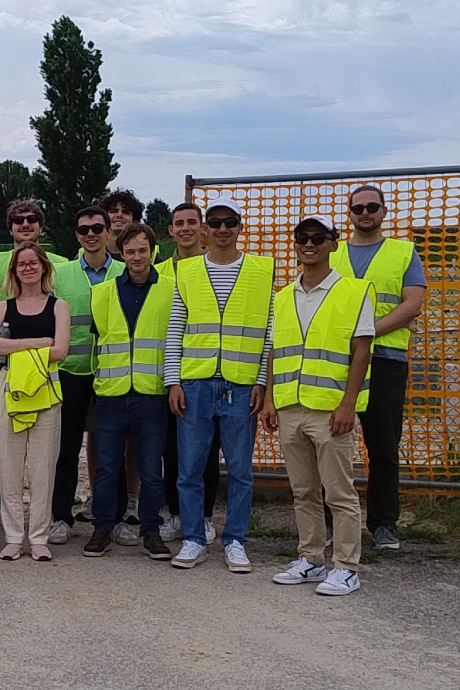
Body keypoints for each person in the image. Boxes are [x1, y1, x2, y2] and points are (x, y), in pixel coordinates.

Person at [264, 217, 375, 597]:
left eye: (317, 238)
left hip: (331, 411)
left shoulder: (354, 291)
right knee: (303, 491)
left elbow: (362, 350)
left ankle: (347, 567)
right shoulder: (283, 296)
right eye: (302, 238)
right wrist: (269, 400)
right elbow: (276, 351)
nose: (308, 244)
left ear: (333, 244)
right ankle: (311, 559)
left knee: (339, 493)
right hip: (291, 405)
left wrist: (347, 404)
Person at [164, 201, 274, 573]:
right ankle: (194, 538)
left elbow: (269, 332)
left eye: (229, 223)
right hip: (194, 383)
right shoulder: (189, 271)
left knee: (241, 470)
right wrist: (173, 381)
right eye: (216, 223)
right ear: (206, 230)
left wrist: (262, 380)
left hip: (242, 385)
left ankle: (236, 541)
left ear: (240, 227)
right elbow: (176, 328)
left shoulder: (261, 270)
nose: (223, 229)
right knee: (189, 468)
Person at [332, 184, 427, 551]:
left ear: (384, 211)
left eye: (373, 206)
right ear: (350, 213)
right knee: (330, 444)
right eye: (359, 208)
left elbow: (412, 303)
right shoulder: (333, 252)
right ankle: (330, 522)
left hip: (386, 360)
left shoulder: (403, 253)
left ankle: (384, 523)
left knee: (384, 446)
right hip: (336, 362)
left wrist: (367, 332)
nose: (365, 213)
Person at [0, 201, 68, 533]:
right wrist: (37, 343)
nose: (25, 224)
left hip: (45, 382)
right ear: (9, 226)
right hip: (5, 377)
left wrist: (15, 348)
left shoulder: (60, 283)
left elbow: (61, 350)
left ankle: (39, 531)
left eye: (31, 219)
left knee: (43, 462)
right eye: (17, 220)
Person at [84, 223, 171, 559]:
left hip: (152, 393)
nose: (137, 257)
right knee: (107, 467)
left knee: (151, 470)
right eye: (130, 251)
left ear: (152, 251)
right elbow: (98, 342)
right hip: (110, 393)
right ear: (121, 253)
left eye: (142, 250)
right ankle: (103, 527)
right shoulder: (102, 292)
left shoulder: (171, 290)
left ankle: (151, 530)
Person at [48, 206, 124, 545]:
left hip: (112, 374)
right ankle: (60, 517)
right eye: (83, 230)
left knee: (111, 450)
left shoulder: (125, 271)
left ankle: (114, 518)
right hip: (70, 373)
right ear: (76, 235)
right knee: (65, 450)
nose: (90, 234)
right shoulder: (60, 274)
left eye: (97, 228)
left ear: (109, 232)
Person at [157, 203, 220, 546]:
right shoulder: (160, 271)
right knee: (171, 448)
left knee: (205, 450)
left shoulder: (213, 267)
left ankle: (205, 516)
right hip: (170, 371)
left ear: (202, 229)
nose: (185, 228)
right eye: (178, 223)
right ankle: (178, 514)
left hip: (206, 371)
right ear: (170, 230)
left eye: (191, 222)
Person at [100, 189, 143, 257]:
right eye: (114, 211)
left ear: (134, 219)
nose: (119, 215)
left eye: (126, 212)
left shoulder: (150, 255)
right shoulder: (85, 255)